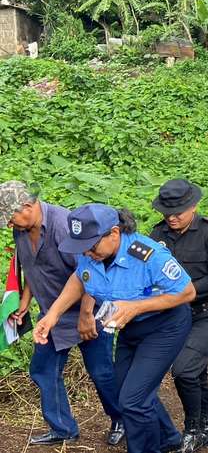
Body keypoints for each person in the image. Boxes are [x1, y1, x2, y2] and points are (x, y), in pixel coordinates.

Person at [34, 204, 196, 453]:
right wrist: (52, 315)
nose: (86, 252)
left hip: (165, 325)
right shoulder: (91, 254)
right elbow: (80, 279)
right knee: (124, 391)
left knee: (133, 401)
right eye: (82, 246)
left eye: (91, 245)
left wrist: (136, 307)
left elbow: (186, 292)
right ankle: (167, 439)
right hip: (131, 326)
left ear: (114, 233)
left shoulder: (148, 256)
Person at [0, 182, 124, 447]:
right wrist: (25, 300)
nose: (10, 225)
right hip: (53, 314)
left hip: (89, 311)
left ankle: (122, 419)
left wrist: (87, 314)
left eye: (11, 218)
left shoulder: (65, 224)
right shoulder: (22, 230)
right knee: (43, 369)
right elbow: (34, 266)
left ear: (29, 206)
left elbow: (92, 269)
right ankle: (63, 428)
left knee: (101, 371)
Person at [149, 179, 208, 453]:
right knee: (193, 370)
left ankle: (193, 427)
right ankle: (204, 428)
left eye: (178, 213)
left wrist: (182, 292)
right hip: (174, 314)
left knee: (183, 369)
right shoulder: (158, 234)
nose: (171, 218)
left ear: (193, 206)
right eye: (167, 213)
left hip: (207, 312)